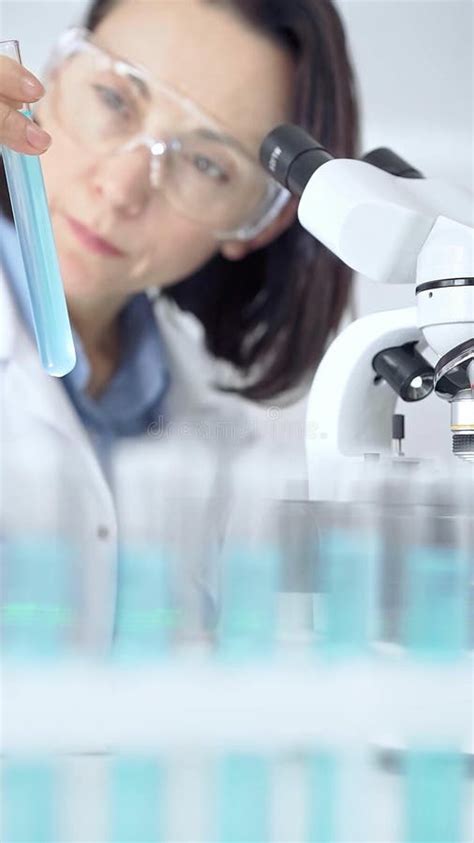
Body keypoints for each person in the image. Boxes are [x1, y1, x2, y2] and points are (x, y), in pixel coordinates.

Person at [0, 0, 358, 647]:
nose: (122, 187)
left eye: (206, 163)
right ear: (47, 80)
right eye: (113, 98)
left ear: (260, 221)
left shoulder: (235, 440)